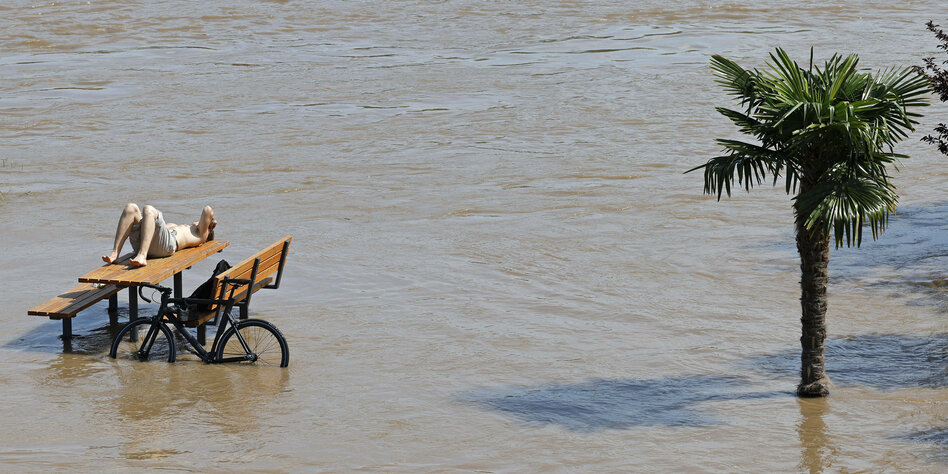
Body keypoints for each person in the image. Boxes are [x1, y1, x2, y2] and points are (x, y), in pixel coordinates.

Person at [102, 203, 217, 267]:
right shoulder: (182, 227)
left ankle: (142, 255)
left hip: (165, 248)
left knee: (149, 209)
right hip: (149, 244)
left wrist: (211, 224)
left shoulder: (200, 235)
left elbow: (207, 210)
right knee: (130, 208)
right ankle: (115, 253)